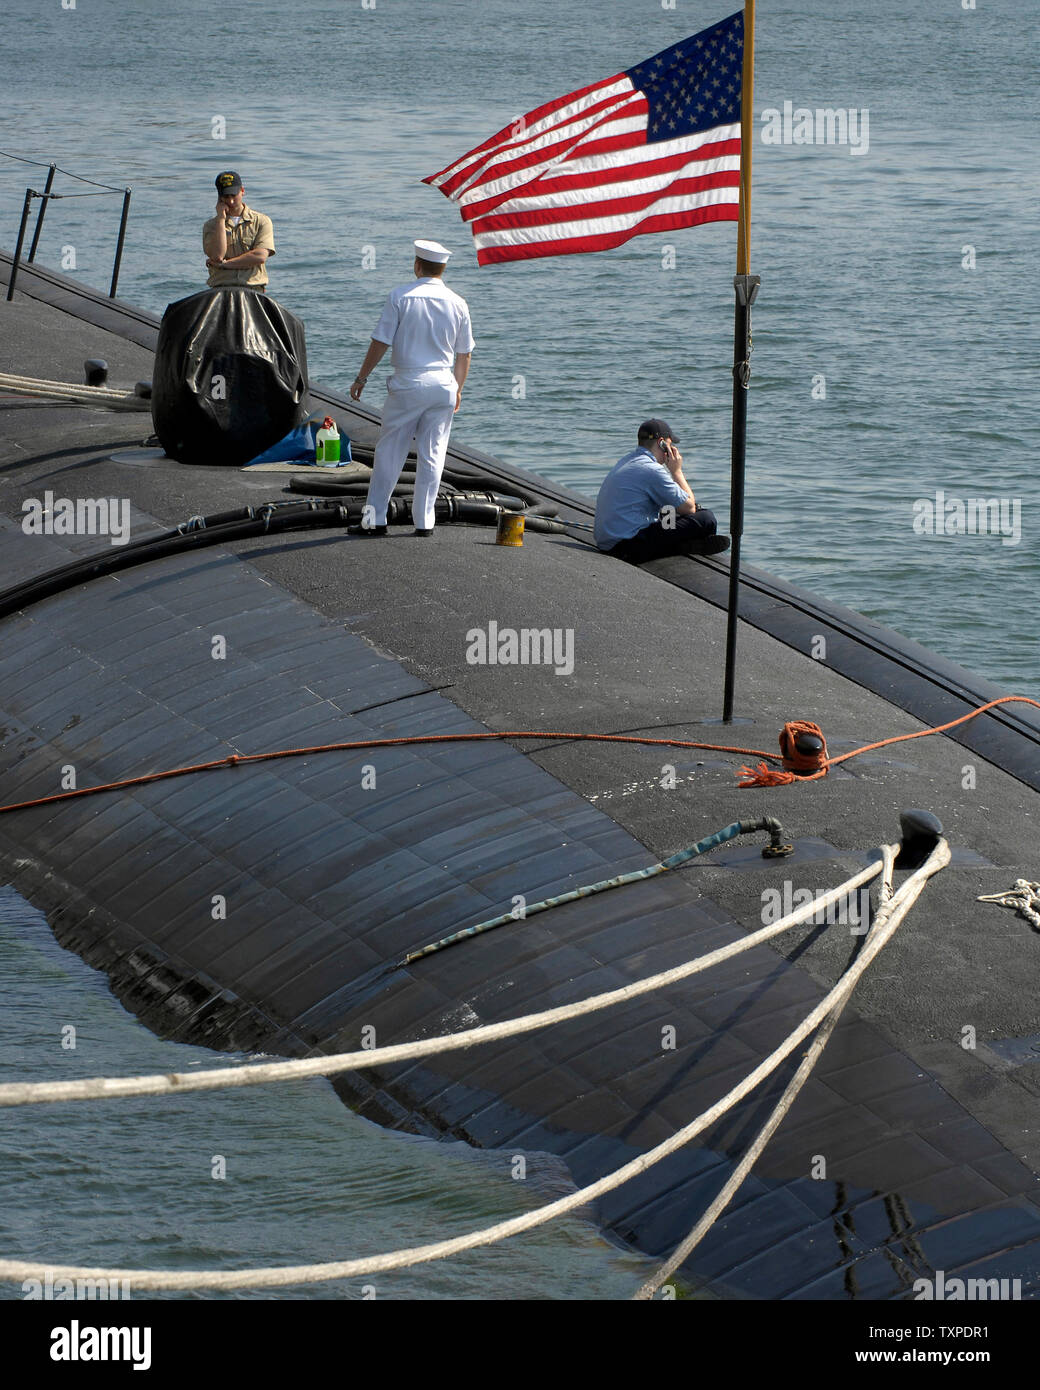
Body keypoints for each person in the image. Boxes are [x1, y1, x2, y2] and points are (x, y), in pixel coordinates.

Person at [350, 239, 474, 536]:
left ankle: (375, 519)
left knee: (391, 451)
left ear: (417, 265)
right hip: (443, 383)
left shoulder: (400, 296)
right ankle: (424, 521)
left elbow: (381, 341)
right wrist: (458, 388)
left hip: (408, 382)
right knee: (434, 453)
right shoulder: (458, 302)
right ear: (443, 269)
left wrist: (361, 377)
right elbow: (464, 353)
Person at [593, 419, 729, 563]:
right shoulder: (652, 470)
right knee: (706, 519)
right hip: (626, 547)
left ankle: (687, 545)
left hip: (608, 542)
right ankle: (685, 546)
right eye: (670, 445)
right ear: (662, 443)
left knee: (670, 513)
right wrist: (676, 471)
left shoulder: (628, 460)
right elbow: (689, 508)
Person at [202, 171, 275, 291]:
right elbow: (217, 256)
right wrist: (221, 219)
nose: (230, 201)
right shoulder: (211, 226)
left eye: (233, 195)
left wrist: (225, 265)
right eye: (226, 197)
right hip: (221, 289)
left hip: (253, 288)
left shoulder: (261, 221)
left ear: (242, 191)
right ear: (219, 197)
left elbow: (260, 256)